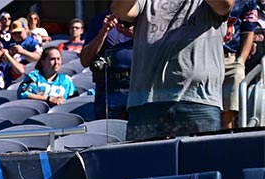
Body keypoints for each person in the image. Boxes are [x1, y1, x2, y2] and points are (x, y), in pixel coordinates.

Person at [112, 0, 233, 140]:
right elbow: (120, 10)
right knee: (145, 161)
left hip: (197, 99)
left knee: (200, 160)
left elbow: (224, 5)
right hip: (146, 100)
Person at [81, 12, 136, 120]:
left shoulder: (145, 19)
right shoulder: (99, 21)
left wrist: (136, 34)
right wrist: (104, 31)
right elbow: (85, 60)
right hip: (111, 90)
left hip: (139, 88)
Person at [223, 0, 261, 128]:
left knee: (227, 110)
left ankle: (226, 140)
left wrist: (240, 61)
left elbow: (249, 31)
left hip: (229, 58)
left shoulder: (247, 1)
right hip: (203, 57)